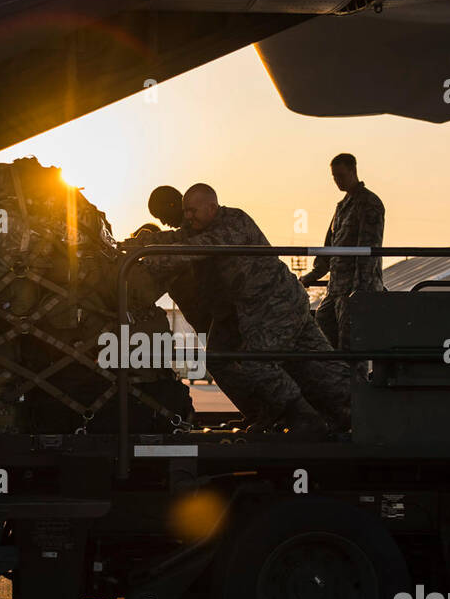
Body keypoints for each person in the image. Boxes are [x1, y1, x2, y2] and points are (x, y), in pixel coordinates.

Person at [144, 184, 351, 435]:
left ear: (212, 207)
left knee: (262, 362)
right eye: (185, 212)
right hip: (250, 310)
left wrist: (152, 261)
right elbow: (175, 238)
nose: (187, 217)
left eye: (192, 211)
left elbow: (198, 247)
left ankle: (305, 418)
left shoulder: (233, 223)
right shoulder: (201, 226)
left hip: (277, 305)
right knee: (221, 358)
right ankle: (265, 412)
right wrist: (138, 244)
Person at [135, 187, 266, 427]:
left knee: (241, 364)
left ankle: (266, 414)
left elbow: (151, 281)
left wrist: (146, 258)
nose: (164, 222)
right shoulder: (189, 232)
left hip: (232, 312)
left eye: (162, 215)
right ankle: (260, 414)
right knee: (237, 364)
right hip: (218, 315)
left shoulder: (206, 232)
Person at [301, 153, 386, 355]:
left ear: (353, 171)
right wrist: (311, 277)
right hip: (337, 287)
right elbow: (329, 248)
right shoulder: (342, 207)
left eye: (341, 175)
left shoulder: (369, 203)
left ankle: (354, 383)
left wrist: (359, 292)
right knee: (323, 322)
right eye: (334, 177)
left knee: (352, 345)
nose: (338, 181)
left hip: (356, 287)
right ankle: (337, 379)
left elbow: (368, 251)